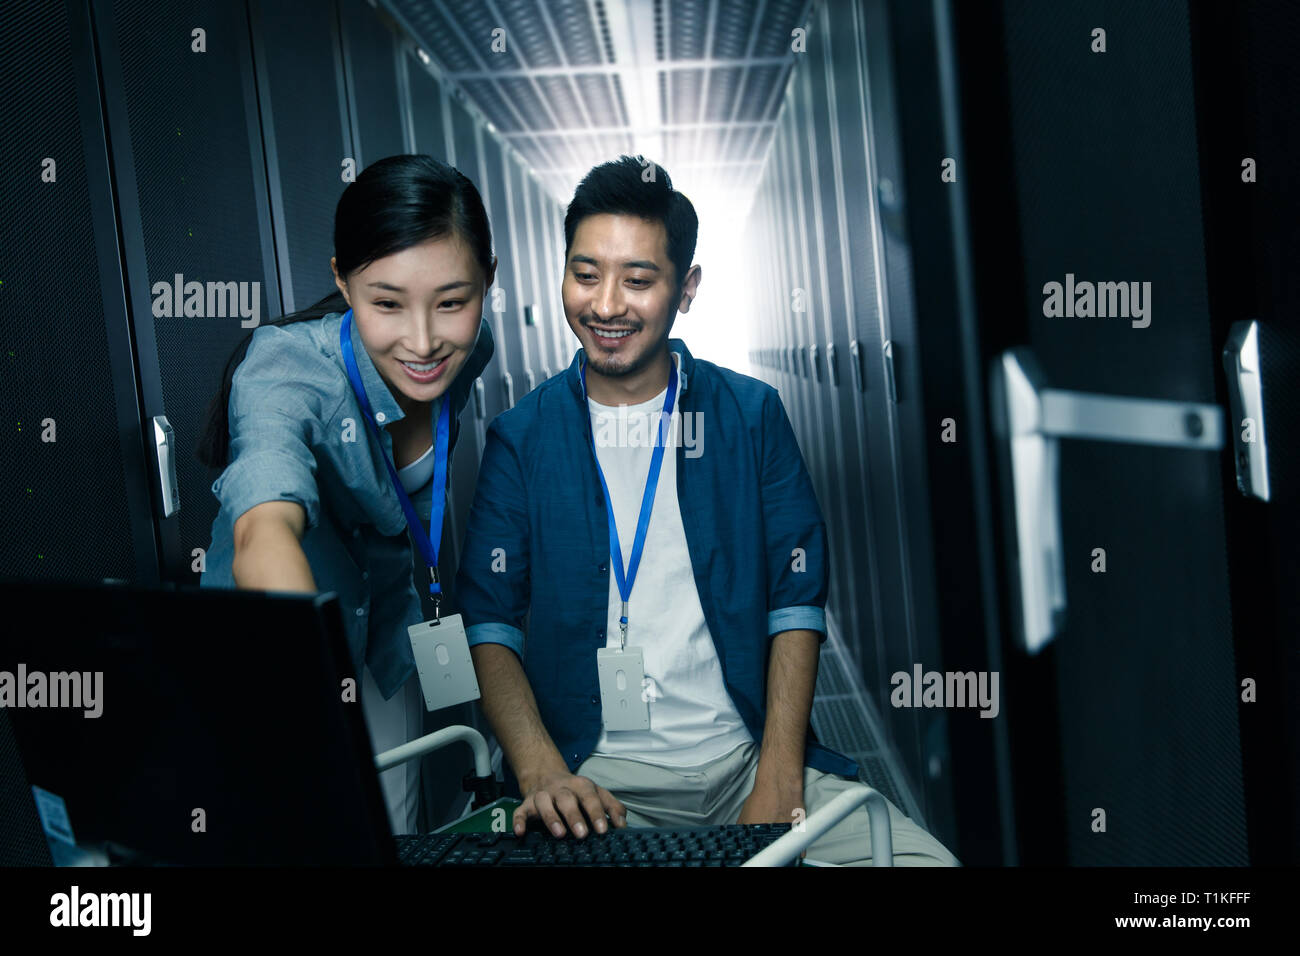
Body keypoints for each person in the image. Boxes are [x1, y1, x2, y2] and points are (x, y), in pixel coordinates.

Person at [455, 155, 958, 865]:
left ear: (685, 289)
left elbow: (796, 599)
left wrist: (779, 773)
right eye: (585, 272)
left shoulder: (750, 416)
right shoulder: (522, 437)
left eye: (638, 280)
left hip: (745, 763)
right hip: (593, 782)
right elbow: (490, 619)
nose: (604, 305)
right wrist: (541, 770)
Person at [196, 154, 496, 835]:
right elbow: (261, 532)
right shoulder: (285, 366)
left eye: (452, 301)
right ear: (341, 278)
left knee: (391, 835)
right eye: (386, 303)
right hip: (284, 652)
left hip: (389, 640)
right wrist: (315, 678)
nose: (423, 342)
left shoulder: (468, 352)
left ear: (488, 282)